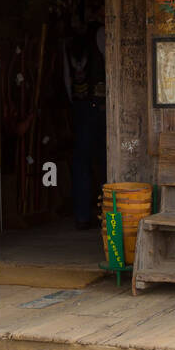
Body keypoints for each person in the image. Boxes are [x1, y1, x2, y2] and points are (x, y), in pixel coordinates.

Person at [64, 22, 106, 228]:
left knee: (82, 161)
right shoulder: (100, 34)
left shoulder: (69, 43)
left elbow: (67, 79)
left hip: (81, 105)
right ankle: (109, 213)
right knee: (104, 160)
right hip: (97, 106)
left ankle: (83, 215)